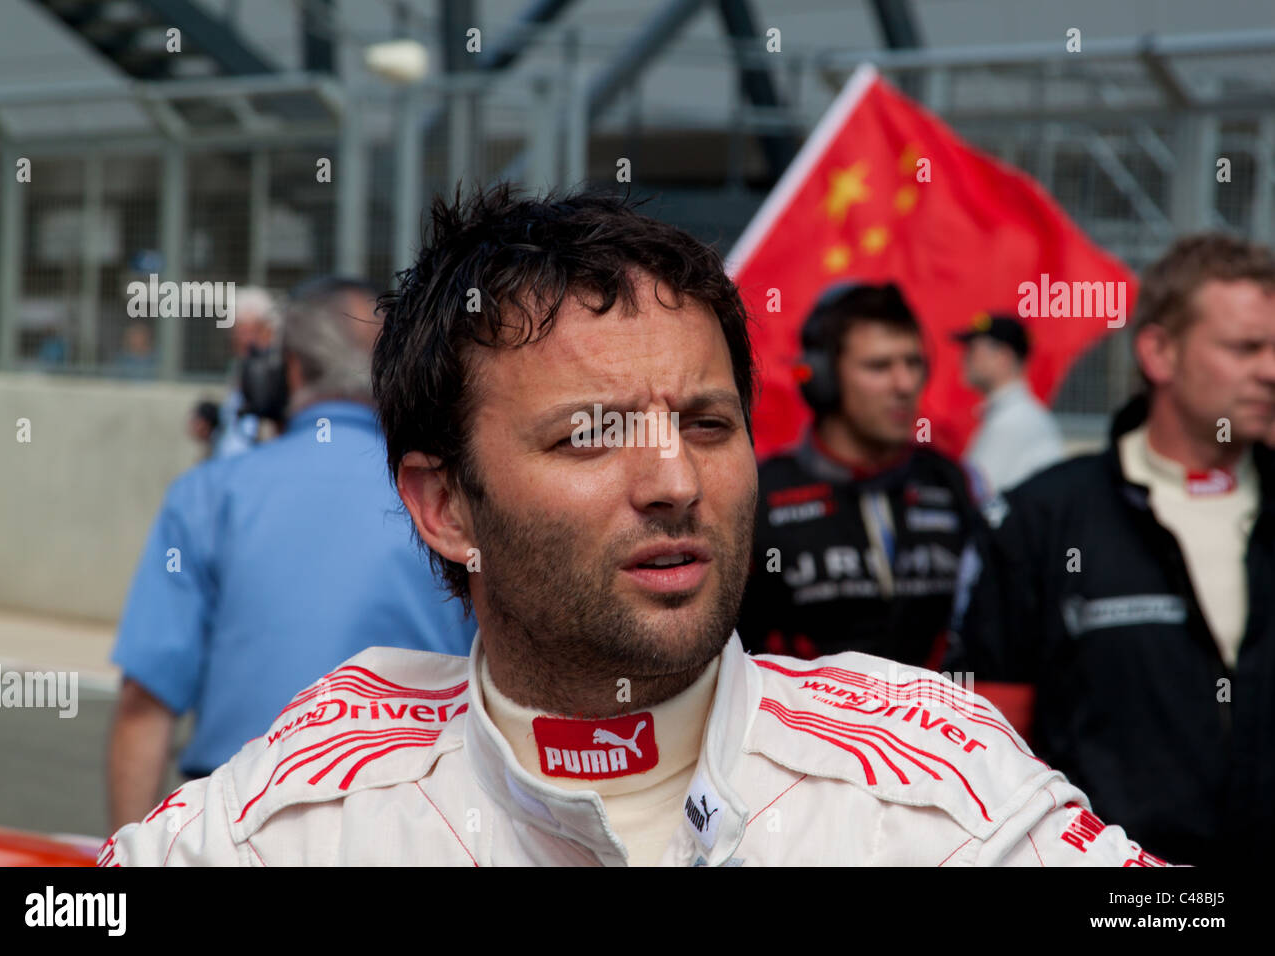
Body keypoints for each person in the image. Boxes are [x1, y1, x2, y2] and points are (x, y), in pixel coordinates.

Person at [100, 187, 1161, 867]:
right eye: (589, 438)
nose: (674, 480)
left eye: (708, 423)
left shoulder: (945, 790)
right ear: (445, 503)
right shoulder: (289, 816)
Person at [947, 233, 1275, 867]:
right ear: (1158, 351)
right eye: (1245, 348)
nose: (1270, 369)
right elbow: (983, 745)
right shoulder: (1045, 516)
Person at [105, 276, 475, 833]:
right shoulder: (459, 506)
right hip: (415, 831)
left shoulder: (208, 496)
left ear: (289, 372)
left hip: (234, 831)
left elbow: (145, 705)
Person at [737, 282, 978, 667]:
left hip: (931, 723)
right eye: (879, 366)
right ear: (823, 379)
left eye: (913, 363)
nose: (904, 384)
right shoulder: (760, 494)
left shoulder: (954, 482)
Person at [955, 312, 1065, 495]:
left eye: (973, 349)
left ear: (1004, 357)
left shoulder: (1014, 421)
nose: (965, 358)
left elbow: (974, 496)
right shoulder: (1015, 416)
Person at [214, 286, 281, 459]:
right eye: (239, 332)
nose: (244, 340)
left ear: (269, 332)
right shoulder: (238, 370)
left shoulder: (278, 377)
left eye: (251, 331)